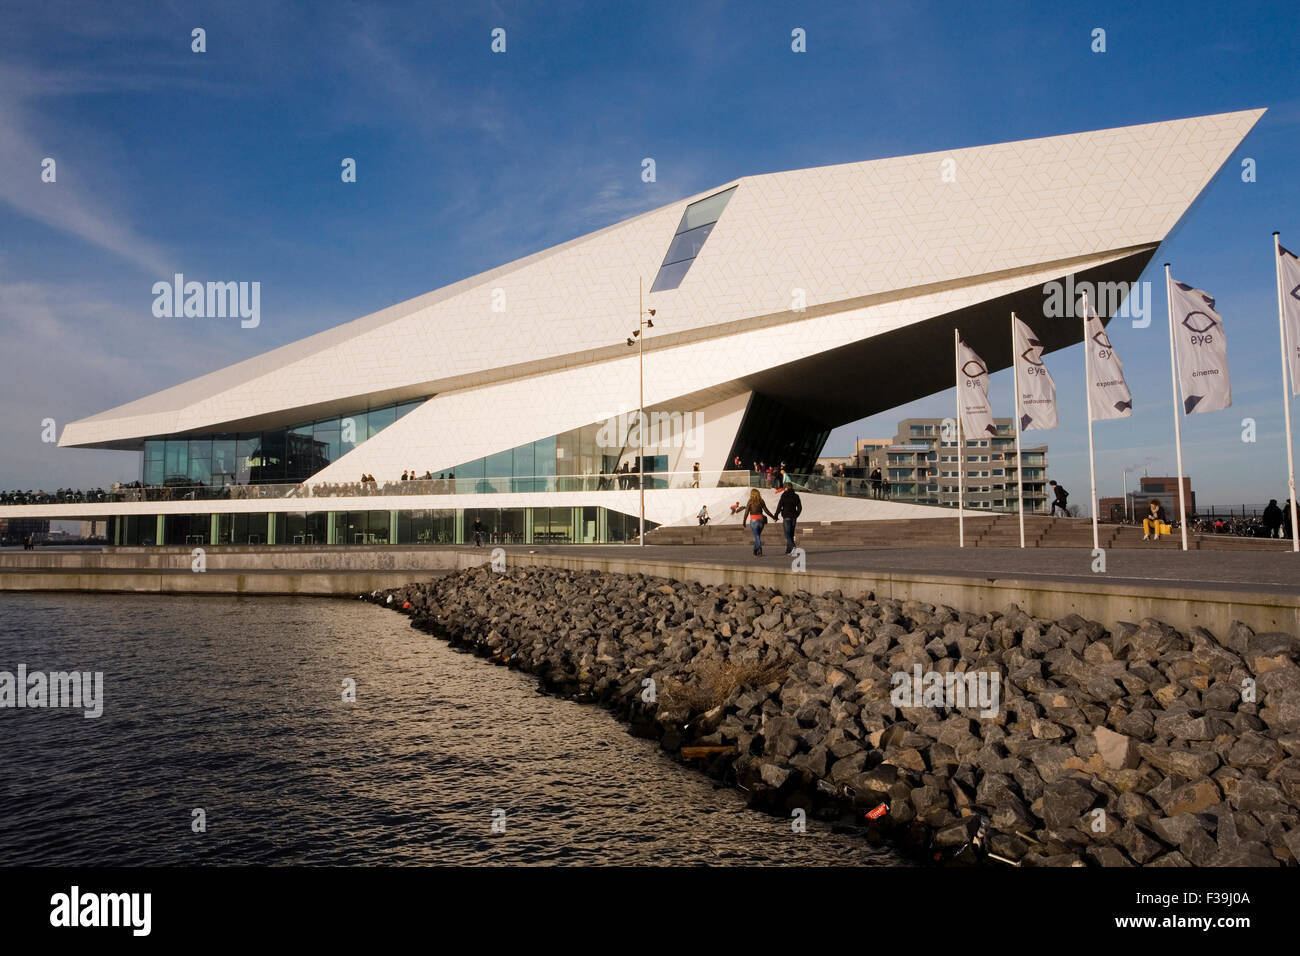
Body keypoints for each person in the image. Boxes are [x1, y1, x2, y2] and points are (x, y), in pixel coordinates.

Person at [741, 488, 776, 556]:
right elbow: (766, 511)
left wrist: (744, 521)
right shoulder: (761, 501)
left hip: (753, 521)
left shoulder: (750, 501)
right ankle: (755, 550)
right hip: (761, 520)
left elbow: (746, 513)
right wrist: (773, 517)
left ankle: (759, 548)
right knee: (757, 536)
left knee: (756, 536)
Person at [775, 479, 803, 554]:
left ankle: (793, 546)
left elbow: (779, 506)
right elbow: (800, 508)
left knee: (787, 534)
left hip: (786, 516)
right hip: (793, 517)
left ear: (786, 488)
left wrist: (775, 515)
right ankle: (788, 550)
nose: (784, 489)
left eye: (785, 488)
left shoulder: (784, 495)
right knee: (791, 534)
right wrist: (796, 515)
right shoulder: (796, 496)